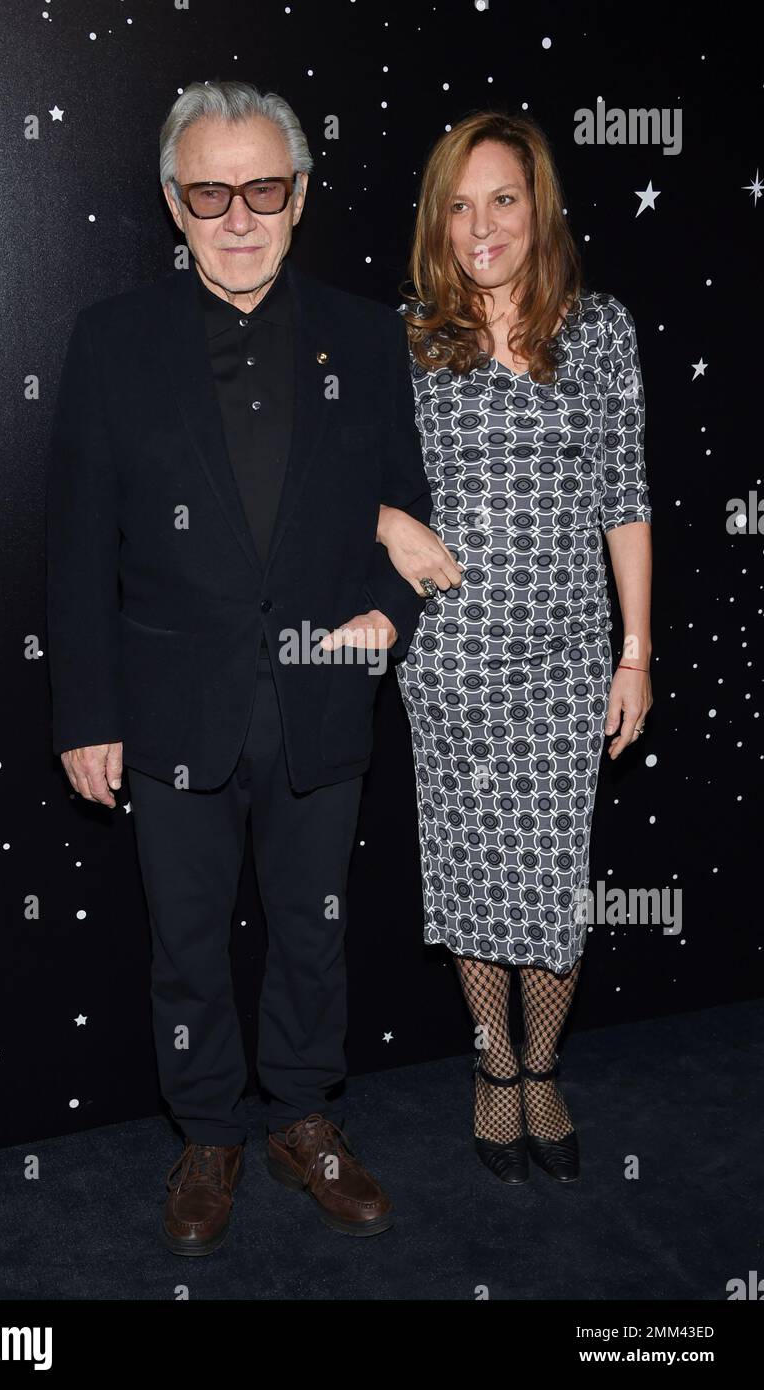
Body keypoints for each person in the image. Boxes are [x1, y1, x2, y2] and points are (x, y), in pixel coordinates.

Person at [46, 80, 431, 1254]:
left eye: (262, 187)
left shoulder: (366, 335)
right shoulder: (113, 339)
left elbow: (403, 507)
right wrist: (84, 713)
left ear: (299, 196)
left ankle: (303, 1119)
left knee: (313, 933)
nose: (237, 214)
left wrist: (380, 625)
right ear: (174, 202)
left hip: (319, 697)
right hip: (171, 706)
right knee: (187, 939)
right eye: (208, 191)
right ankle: (208, 1130)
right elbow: (76, 546)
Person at [377, 111, 653, 1185]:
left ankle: (542, 1065)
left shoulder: (599, 332)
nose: (478, 224)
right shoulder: (404, 340)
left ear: (537, 207)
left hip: (564, 664)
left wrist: (633, 653)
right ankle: (495, 1071)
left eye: (500, 198)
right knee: (469, 881)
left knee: (549, 884)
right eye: (457, 203)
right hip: (444, 665)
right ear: (434, 221)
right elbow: (324, 486)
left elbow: (623, 498)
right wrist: (380, 521)